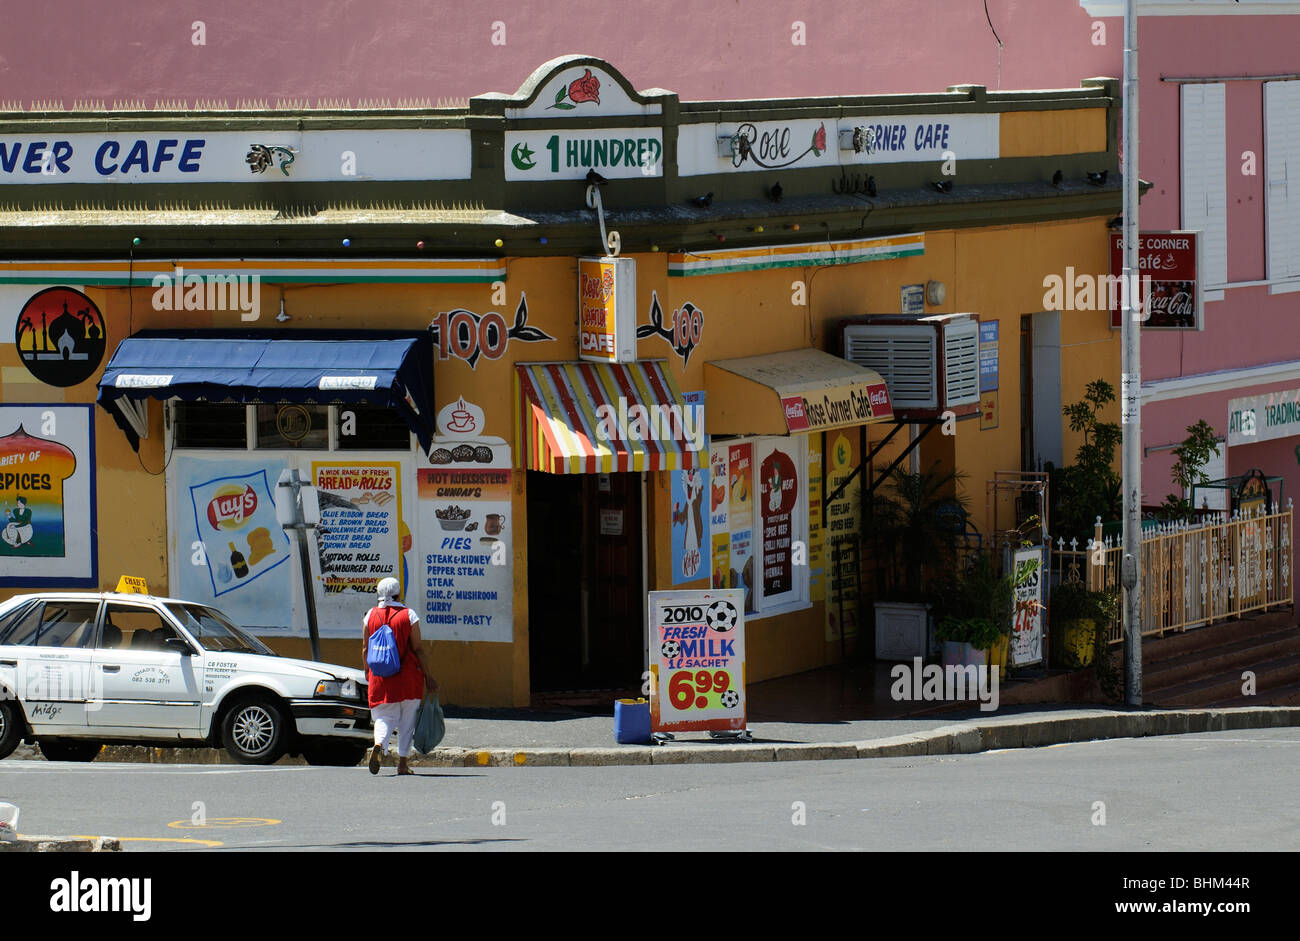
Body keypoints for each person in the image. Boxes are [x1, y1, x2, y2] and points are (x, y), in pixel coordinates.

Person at [362, 577, 436, 775]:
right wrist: (428, 676)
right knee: (407, 721)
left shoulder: (370, 616)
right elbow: (418, 648)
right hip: (408, 678)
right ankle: (402, 763)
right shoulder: (409, 615)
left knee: (383, 717)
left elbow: (365, 649)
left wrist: (367, 672)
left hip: (380, 679)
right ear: (398, 594)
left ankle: (379, 744)